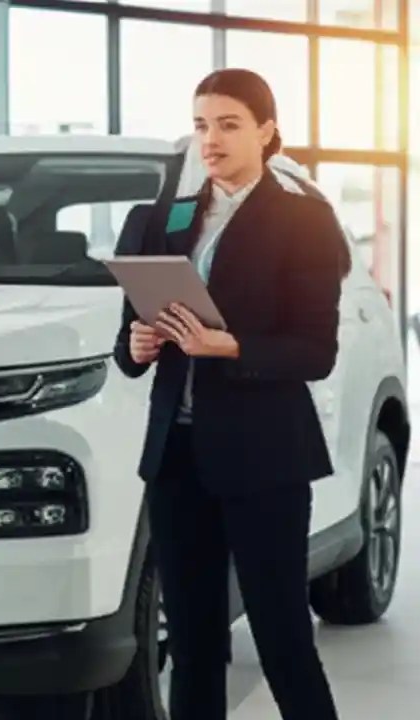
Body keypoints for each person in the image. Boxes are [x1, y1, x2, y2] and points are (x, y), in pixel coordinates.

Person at [114, 68, 348, 720]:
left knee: (282, 639)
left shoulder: (304, 219)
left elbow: (315, 351)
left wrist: (231, 345)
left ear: (267, 131)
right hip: (177, 459)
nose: (210, 139)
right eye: (200, 124)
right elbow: (129, 340)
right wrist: (133, 347)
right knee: (191, 644)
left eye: (228, 124)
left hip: (265, 459)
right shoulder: (170, 216)